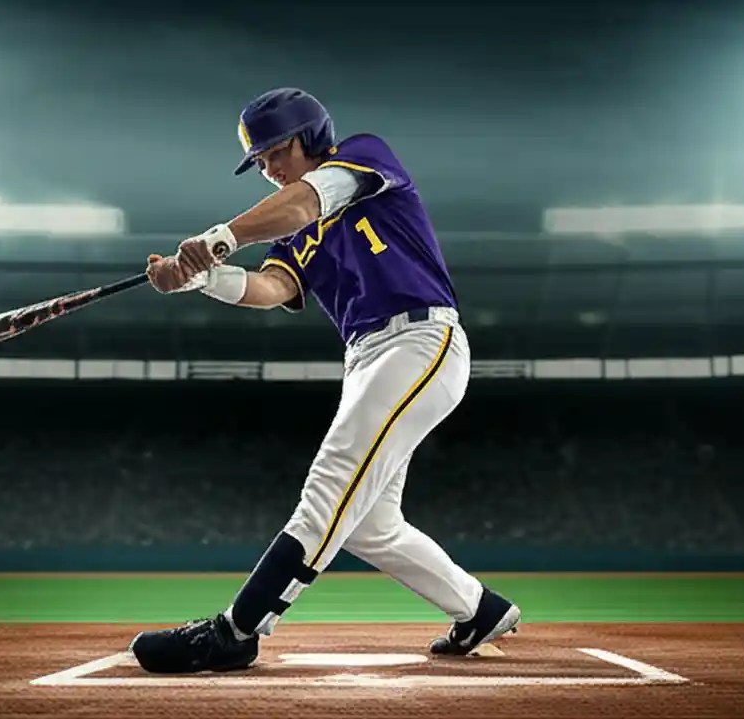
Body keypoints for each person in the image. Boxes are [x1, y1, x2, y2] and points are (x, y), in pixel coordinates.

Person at [128, 88, 520, 674]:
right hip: (367, 358)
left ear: (309, 137)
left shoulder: (363, 157)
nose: (267, 167)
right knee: (366, 524)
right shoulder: (293, 233)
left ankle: (238, 630)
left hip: (420, 341)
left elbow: (306, 202)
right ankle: (479, 609)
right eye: (258, 161)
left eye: (274, 151)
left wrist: (217, 240)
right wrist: (199, 280)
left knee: (331, 483)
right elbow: (271, 289)